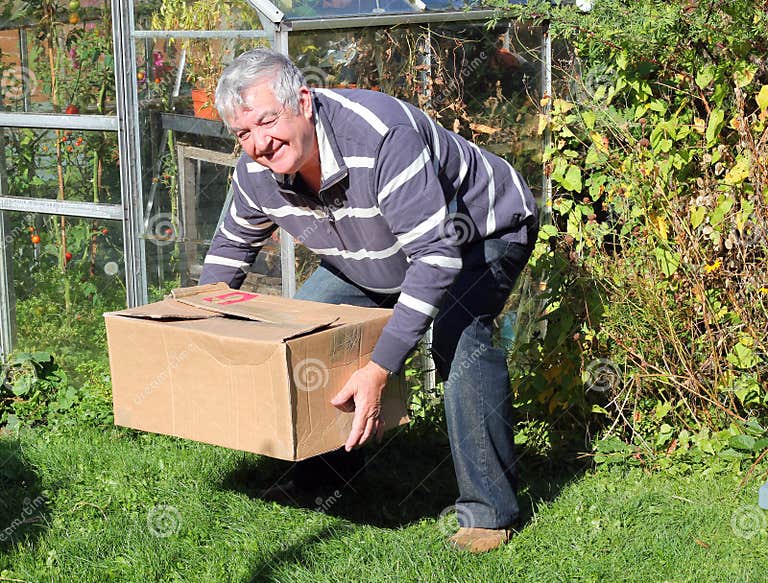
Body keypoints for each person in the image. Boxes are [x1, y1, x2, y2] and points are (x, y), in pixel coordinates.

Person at [198, 48, 539, 553]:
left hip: (478, 232)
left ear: (303, 102)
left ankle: (489, 513)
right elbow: (230, 249)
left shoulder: (381, 138)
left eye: (267, 122)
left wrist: (380, 368)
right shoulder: (256, 171)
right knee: (312, 334)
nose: (260, 143)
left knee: (459, 340)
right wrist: (202, 325)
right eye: (243, 133)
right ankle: (321, 481)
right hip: (382, 250)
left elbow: (435, 259)